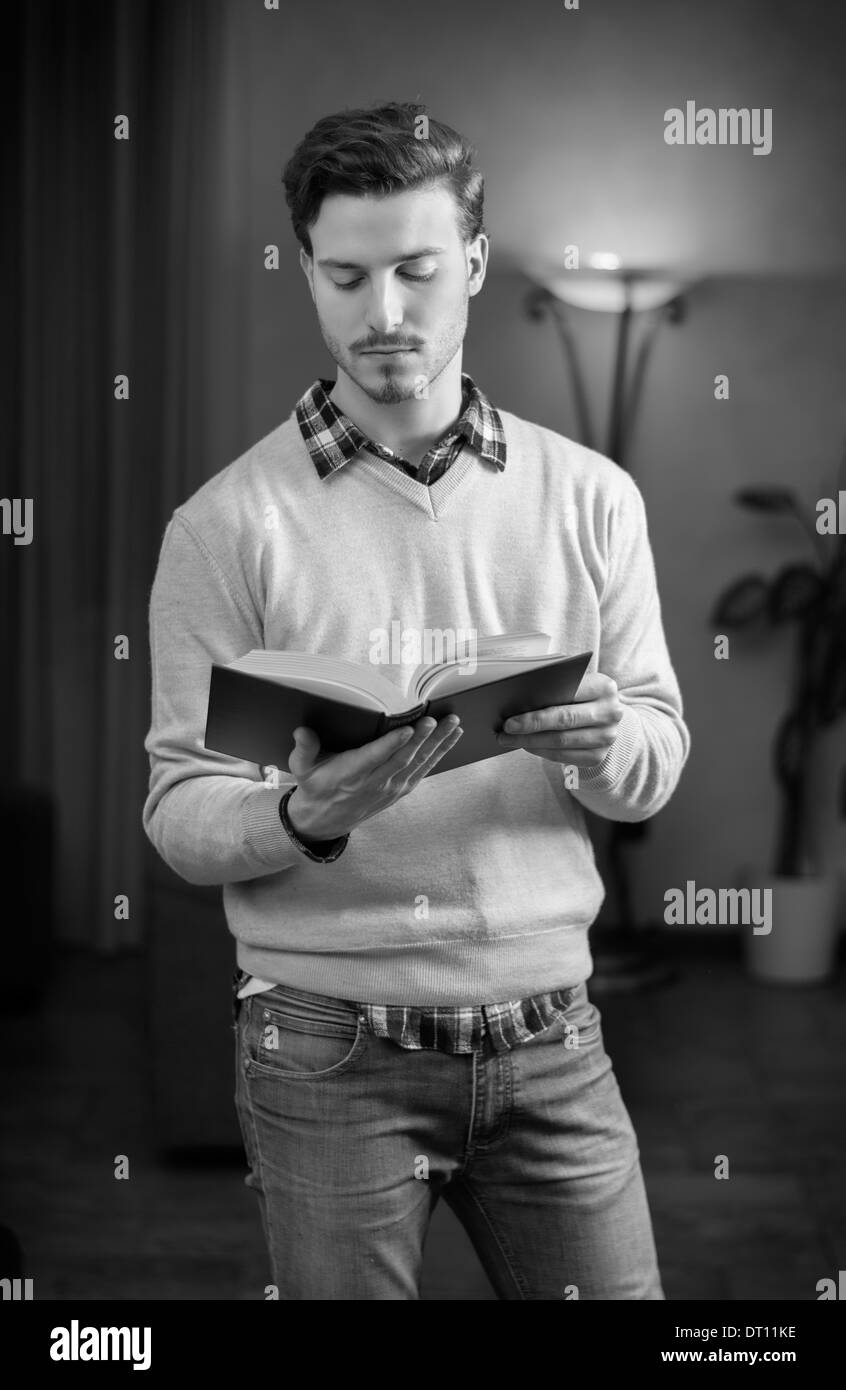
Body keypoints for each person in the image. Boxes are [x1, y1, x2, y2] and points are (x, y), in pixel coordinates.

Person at [142, 101, 691, 1300]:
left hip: (553, 1035)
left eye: (415, 270)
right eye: (344, 276)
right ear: (306, 273)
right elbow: (182, 813)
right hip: (323, 1044)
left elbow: (656, 754)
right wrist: (301, 816)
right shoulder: (222, 527)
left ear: (477, 263)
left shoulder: (593, 497)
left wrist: (606, 745)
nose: (382, 314)